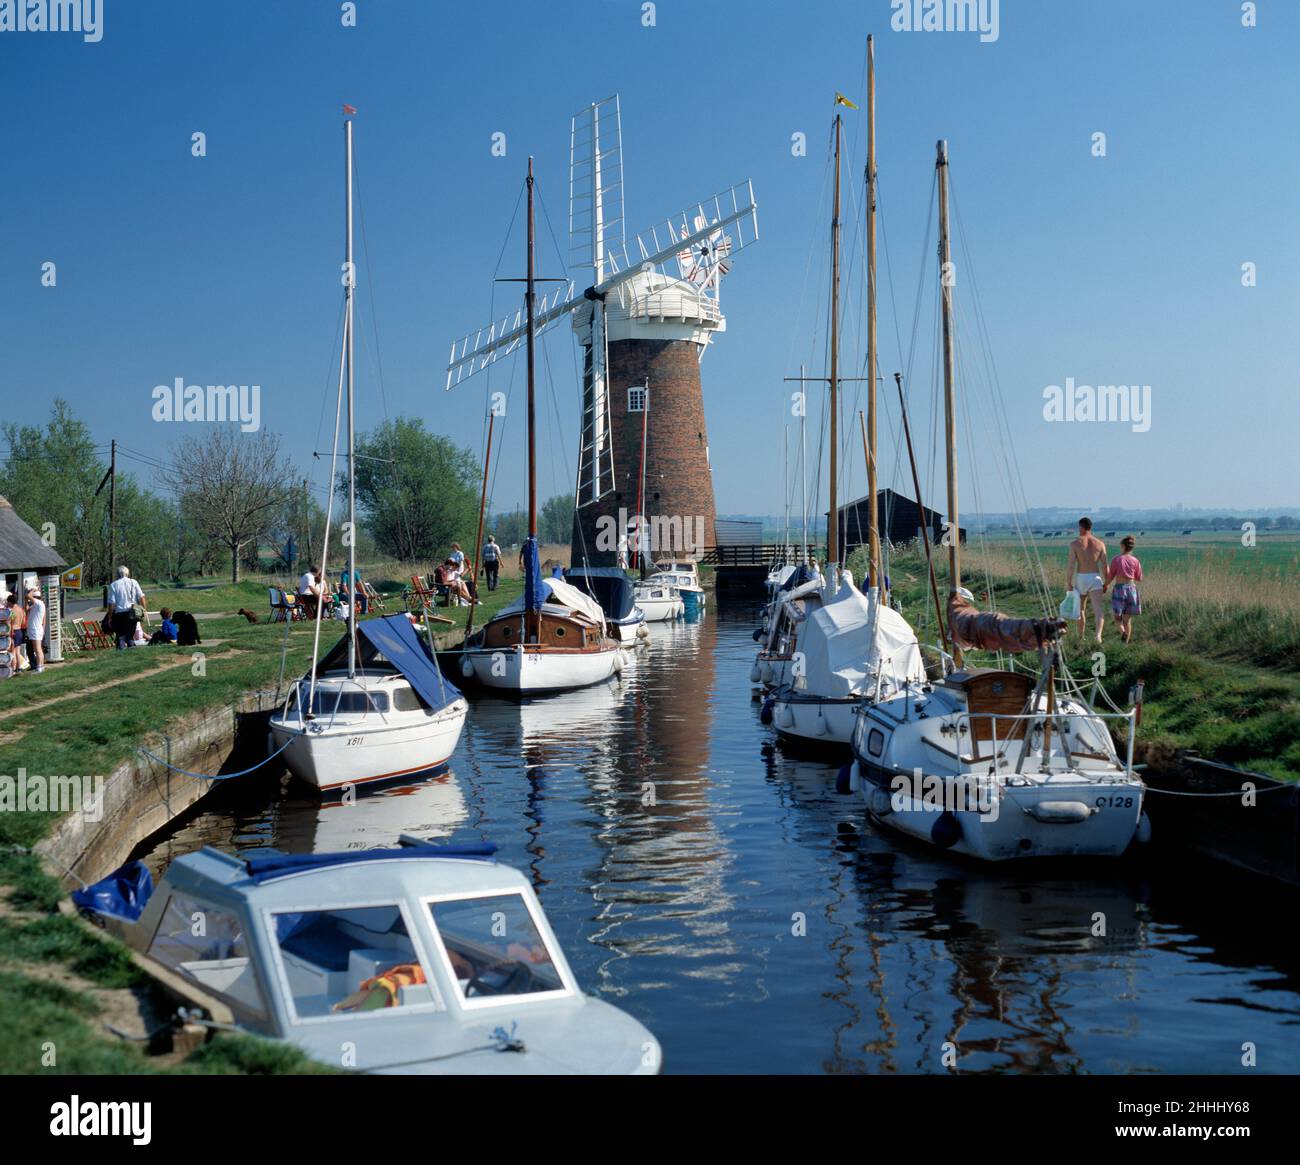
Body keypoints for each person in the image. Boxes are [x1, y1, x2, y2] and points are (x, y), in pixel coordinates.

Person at [1065, 518, 1108, 644]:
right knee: (1098, 609)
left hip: (1081, 577)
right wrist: (1107, 582)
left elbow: (1071, 565)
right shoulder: (1100, 544)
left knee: (1081, 609)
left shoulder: (1075, 544)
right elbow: (1105, 565)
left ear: (1081, 527)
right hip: (1095, 577)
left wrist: (1069, 582)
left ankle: (1081, 636)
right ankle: (1098, 636)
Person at [1107, 536, 1144, 644]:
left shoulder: (1117, 559)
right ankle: (1125, 644)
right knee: (1127, 620)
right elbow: (1139, 578)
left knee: (1117, 618)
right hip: (1132, 589)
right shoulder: (1136, 560)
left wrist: (1105, 585)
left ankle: (1123, 633)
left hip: (1120, 589)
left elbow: (1110, 576)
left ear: (1123, 546)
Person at [106, 566, 146, 650]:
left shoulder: (113, 585)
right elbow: (141, 597)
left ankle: (121, 654)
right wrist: (144, 611)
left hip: (120, 614)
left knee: (120, 636)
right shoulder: (133, 582)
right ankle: (132, 652)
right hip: (132, 613)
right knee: (130, 636)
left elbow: (111, 603)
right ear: (127, 574)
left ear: (118, 574)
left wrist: (109, 617)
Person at [24, 585, 47, 672]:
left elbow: (28, 595)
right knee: (38, 649)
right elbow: (26, 610)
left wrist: (32, 590)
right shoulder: (35, 605)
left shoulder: (39, 603)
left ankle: (39, 667)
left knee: (37, 649)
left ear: (35, 597)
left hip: (36, 629)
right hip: (35, 629)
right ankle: (41, 666)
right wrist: (26, 600)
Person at [5, 593, 26, 673]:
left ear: (10, 602)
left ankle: (13, 668)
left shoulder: (13, 611)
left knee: (13, 651)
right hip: (20, 631)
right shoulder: (21, 610)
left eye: (7, 602)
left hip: (14, 632)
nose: (7, 604)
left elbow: (9, 622)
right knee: (17, 651)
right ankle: (19, 668)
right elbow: (23, 621)